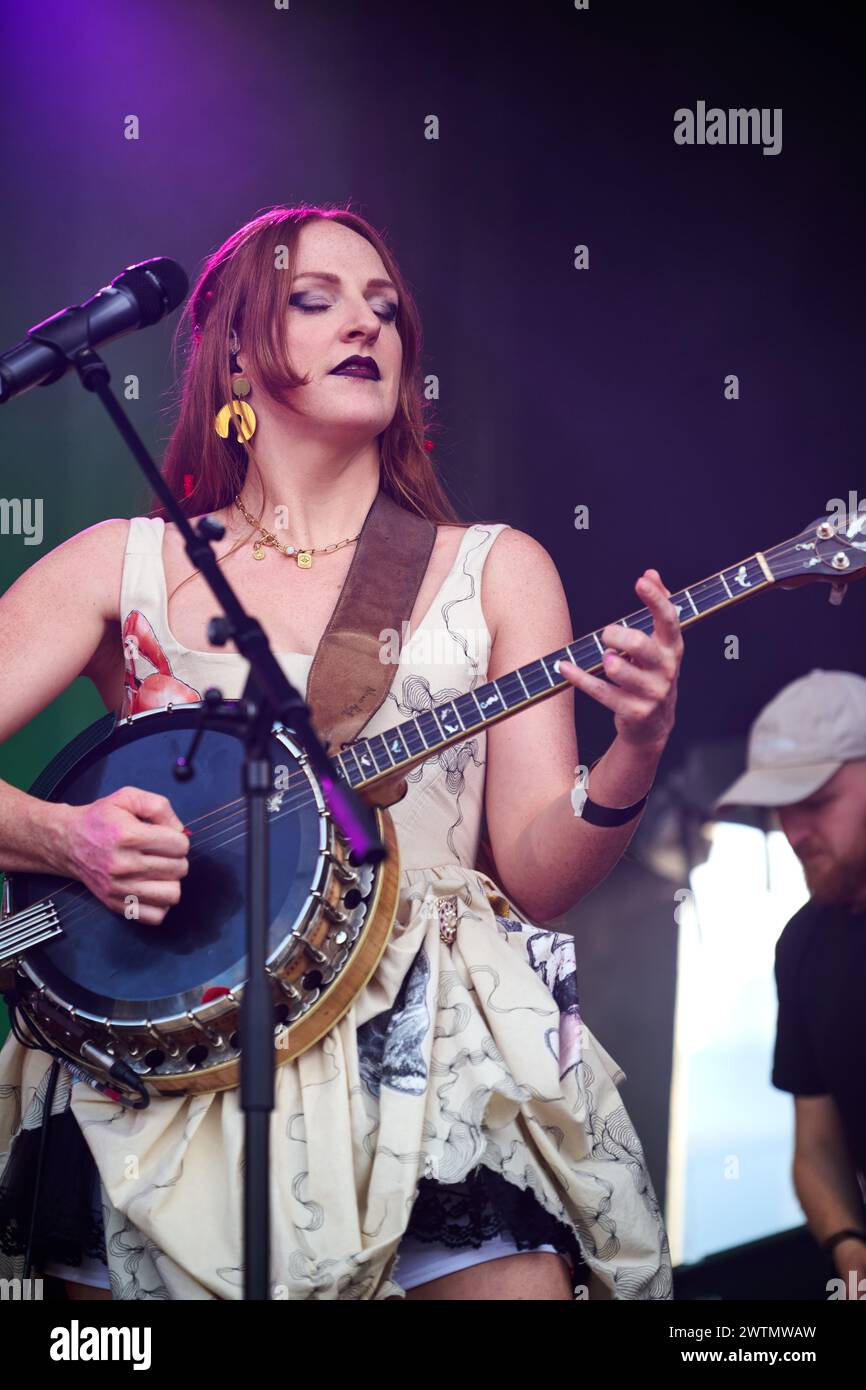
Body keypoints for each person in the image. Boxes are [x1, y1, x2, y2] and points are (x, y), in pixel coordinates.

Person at [0, 203, 682, 1301]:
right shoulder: (119, 567)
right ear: (232, 351)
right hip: (170, 1059)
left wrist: (633, 750)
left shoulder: (494, 568)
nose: (363, 323)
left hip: (433, 1051)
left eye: (384, 309)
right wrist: (62, 834)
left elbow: (537, 871)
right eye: (313, 301)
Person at [714, 668, 866, 1295]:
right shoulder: (802, 944)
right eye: (783, 805)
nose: (794, 832)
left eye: (818, 802)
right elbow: (817, 1151)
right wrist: (852, 1258)